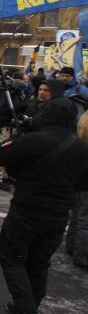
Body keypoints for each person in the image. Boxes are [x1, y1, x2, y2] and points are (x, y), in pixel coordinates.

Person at [0, 98, 88, 314]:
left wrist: (19, 135)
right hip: (58, 216)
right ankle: (28, 306)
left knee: (11, 257)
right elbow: (83, 184)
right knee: (38, 262)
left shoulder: (35, 139)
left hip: (27, 210)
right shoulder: (82, 147)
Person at [65, 109, 88, 269]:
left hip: (80, 173)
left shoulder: (84, 118)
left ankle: (71, 246)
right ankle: (82, 255)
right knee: (85, 217)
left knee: (77, 212)